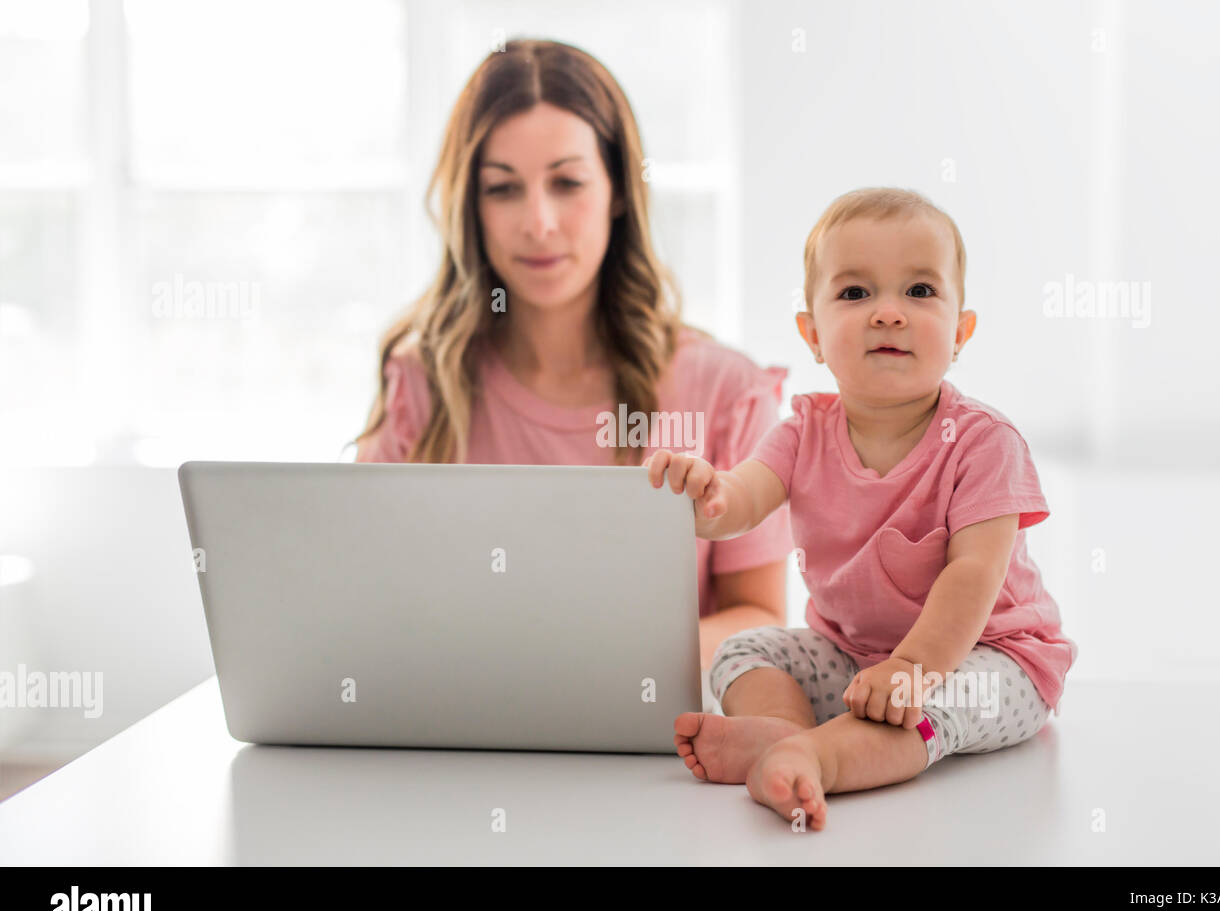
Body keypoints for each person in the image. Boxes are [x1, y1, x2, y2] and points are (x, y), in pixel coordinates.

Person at [350, 38, 793, 672]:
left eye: (567, 182)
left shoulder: (727, 392)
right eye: (502, 189)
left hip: (653, 751)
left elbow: (761, 619)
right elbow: (364, 602)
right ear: (470, 207)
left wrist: (585, 665)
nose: (538, 222)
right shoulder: (424, 382)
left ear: (617, 189)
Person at [648, 187, 1077, 828]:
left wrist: (912, 668)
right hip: (856, 657)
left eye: (919, 292)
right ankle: (784, 739)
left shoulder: (986, 443)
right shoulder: (803, 428)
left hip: (990, 657)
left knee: (939, 708)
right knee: (742, 651)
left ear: (961, 333)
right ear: (812, 334)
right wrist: (703, 494)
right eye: (855, 294)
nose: (888, 314)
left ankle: (822, 758)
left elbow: (974, 577)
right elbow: (741, 499)